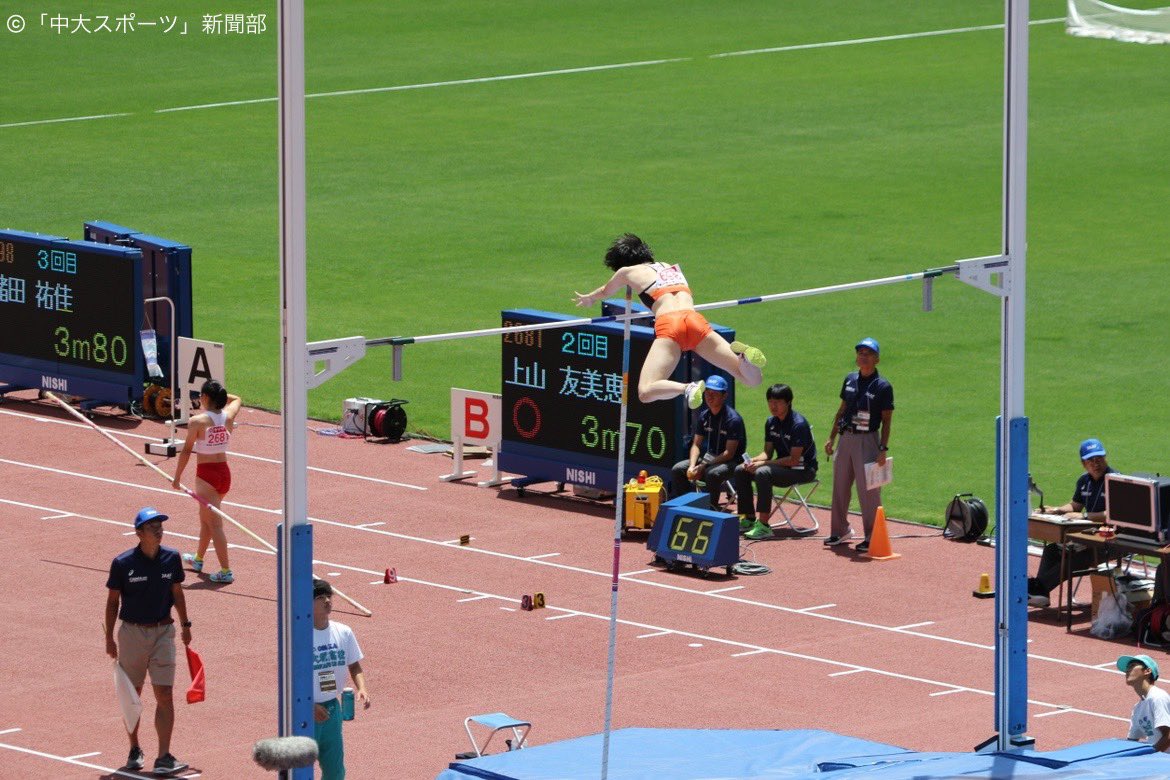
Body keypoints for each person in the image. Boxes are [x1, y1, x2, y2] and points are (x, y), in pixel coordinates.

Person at [573, 233, 766, 408]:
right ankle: (746, 358)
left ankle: (687, 388)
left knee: (645, 392)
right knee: (752, 380)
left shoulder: (626, 272)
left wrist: (589, 298)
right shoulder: (668, 266)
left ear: (623, 262)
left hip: (670, 325)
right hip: (695, 321)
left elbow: (606, 291)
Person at [104, 507, 192, 775]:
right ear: (139, 533)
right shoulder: (122, 563)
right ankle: (134, 748)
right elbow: (112, 602)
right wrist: (109, 638)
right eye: (152, 526)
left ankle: (164, 756)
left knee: (164, 693)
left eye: (160, 525)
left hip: (163, 632)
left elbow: (177, 593)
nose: (158, 529)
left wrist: (186, 624)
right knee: (133, 695)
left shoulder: (172, 558)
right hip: (132, 633)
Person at [1027, 438, 1115, 607]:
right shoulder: (1084, 481)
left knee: (1073, 559)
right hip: (1086, 537)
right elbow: (1075, 505)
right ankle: (1041, 592)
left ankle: (1038, 587)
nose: (1096, 464)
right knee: (1052, 550)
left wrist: (1084, 517)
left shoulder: (1115, 481)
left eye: (1099, 459)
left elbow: (1113, 514)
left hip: (1108, 542)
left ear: (1105, 458)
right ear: (1084, 464)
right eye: (1091, 461)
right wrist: (1056, 510)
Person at [824, 338, 893, 553]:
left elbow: (887, 420)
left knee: (869, 491)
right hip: (846, 438)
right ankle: (840, 530)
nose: (863, 356)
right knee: (840, 485)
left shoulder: (883, 386)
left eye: (868, 353)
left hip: (868, 440)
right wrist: (832, 437)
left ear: (877, 359)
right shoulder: (850, 379)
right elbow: (842, 409)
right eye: (860, 352)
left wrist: (883, 449)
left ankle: (872, 535)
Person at [172, 379, 242, 584]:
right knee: (205, 519)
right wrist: (221, 398)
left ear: (205, 398)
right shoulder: (229, 415)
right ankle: (198, 559)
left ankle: (226, 570)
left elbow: (186, 451)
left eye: (201, 396)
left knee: (215, 524)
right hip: (224, 474)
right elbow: (237, 398)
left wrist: (177, 478)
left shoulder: (198, 422)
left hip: (206, 477)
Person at [734, 383, 818, 540]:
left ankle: (764, 526)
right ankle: (749, 518)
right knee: (741, 469)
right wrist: (753, 460)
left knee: (763, 472)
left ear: (788, 402)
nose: (773, 406)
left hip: (803, 470)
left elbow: (794, 460)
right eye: (771, 401)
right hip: (783, 468)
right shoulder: (771, 422)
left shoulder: (798, 424)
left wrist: (762, 464)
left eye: (778, 402)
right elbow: (767, 453)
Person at [313, 578, 371, 780]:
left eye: (329, 596)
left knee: (335, 771)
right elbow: (290, 678)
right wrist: (309, 706)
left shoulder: (343, 632)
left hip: (331, 709)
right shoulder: (300, 636)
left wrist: (362, 688)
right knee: (300, 770)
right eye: (321, 597)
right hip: (305, 712)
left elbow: (354, 664)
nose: (327, 601)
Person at [669, 375, 746, 506]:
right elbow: (696, 444)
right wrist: (693, 466)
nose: (709, 397)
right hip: (710, 459)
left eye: (714, 394)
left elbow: (729, 453)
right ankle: (686, 506)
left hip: (732, 462)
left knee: (712, 473)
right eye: (708, 393)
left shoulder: (733, 420)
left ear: (724, 396)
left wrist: (703, 466)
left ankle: (711, 509)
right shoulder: (704, 416)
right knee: (678, 469)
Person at [1119, 654, 1170, 752]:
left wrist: (1150, 756)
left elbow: (1168, 736)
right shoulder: (1138, 708)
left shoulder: (1158, 698)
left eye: (1132, 666)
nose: (1127, 670)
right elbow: (1131, 741)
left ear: (1147, 671)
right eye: (1127, 668)